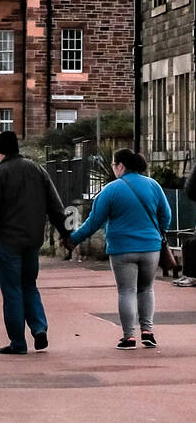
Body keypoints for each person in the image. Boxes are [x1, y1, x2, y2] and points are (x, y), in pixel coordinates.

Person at [67, 148, 173, 349]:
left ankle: (129, 336)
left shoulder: (110, 190)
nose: (113, 169)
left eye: (114, 165)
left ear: (121, 166)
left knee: (126, 291)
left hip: (122, 249)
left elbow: (93, 222)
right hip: (151, 248)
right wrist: (158, 233)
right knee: (146, 289)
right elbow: (166, 215)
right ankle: (148, 331)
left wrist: (73, 239)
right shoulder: (153, 186)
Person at [0, 131, 71, 355]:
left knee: (12, 290)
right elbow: (56, 207)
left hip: (7, 241)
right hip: (33, 240)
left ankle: (18, 341)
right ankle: (39, 328)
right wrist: (67, 234)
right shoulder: (37, 170)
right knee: (30, 285)